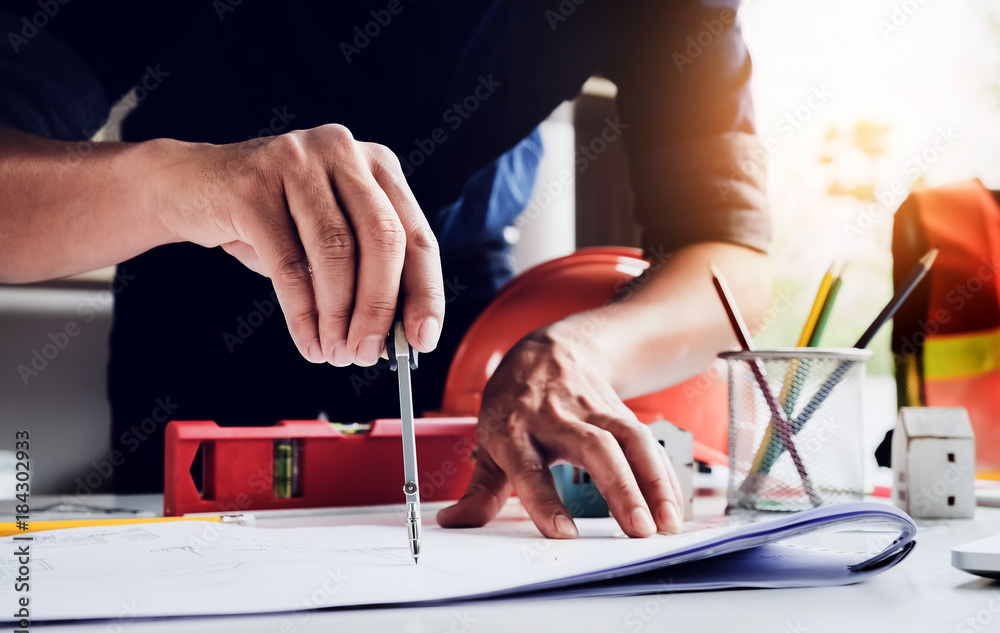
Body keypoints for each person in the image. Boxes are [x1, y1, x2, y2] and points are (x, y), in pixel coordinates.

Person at [0, 0, 771, 540]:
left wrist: (582, 351)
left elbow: (733, 263)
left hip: (468, 338)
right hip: (198, 308)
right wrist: (184, 185)